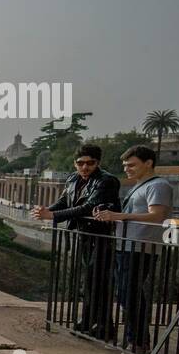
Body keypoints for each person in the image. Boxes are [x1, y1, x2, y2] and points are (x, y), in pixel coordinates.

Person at [31, 143, 121, 340]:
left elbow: (88, 208)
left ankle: (99, 324)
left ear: (98, 163)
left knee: (97, 282)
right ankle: (97, 324)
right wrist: (46, 211)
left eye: (90, 163)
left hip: (101, 237)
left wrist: (52, 214)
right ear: (75, 163)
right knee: (90, 281)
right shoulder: (72, 179)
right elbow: (65, 202)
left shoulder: (107, 181)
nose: (85, 167)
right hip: (83, 236)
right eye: (80, 163)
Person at [94, 145, 174, 354]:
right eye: (125, 166)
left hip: (140, 247)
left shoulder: (158, 185)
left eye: (132, 165)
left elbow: (157, 215)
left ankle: (138, 342)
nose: (127, 169)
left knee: (130, 294)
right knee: (125, 293)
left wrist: (120, 216)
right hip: (128, 245)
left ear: (148, 163)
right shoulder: (141, 185)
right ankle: (137, 339)